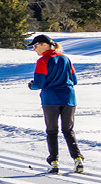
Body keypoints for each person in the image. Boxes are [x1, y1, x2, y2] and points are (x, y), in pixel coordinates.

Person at [27, 34, 83, 174]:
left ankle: (54, 161)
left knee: (52, 131)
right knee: (68, 130)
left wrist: (31, 85)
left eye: (35, 46)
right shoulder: (66, 59)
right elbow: (74, 79)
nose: (34, 49)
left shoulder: (43, 61)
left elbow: (39, 83)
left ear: (45, 45)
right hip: (69, 98)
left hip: (51, 99)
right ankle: (78, 159)